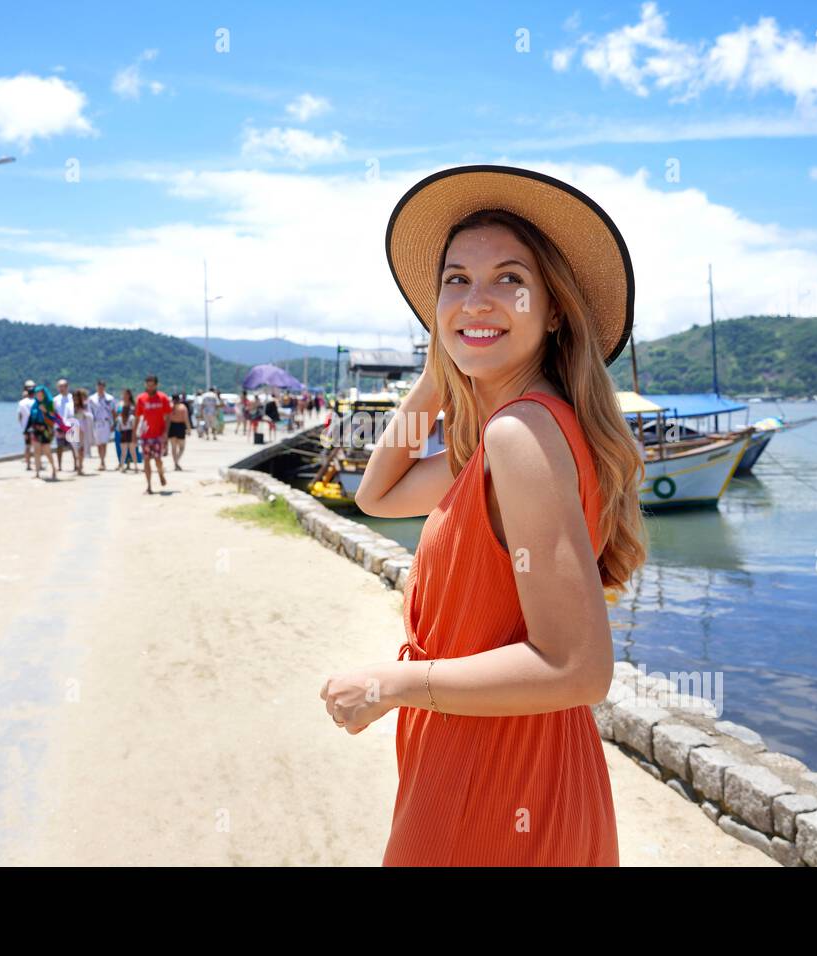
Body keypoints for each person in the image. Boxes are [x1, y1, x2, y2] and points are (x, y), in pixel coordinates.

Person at [322, 165, 649, 867]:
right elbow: (378, 493)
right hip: (505, 753)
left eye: (509, 279)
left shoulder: (518, 436)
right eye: (456, 282)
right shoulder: (516, 430)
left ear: (554, 307)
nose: (478, 298)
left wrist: (392, 683)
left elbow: (579, 668)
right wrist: (446, 364)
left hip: (495, 778)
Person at [135, 374, 171, 493]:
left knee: (157, 459)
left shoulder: (163, 398)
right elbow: (137, 417)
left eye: (152, 385)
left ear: (156, 385)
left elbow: (168, 416)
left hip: (158, 435)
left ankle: (161, 473)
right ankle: (149, 485)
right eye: (148, 385)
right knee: (146, 460)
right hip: (145, 435)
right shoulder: (141, 399)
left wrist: (165, 432)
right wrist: (134, 433)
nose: (150, 388)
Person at [26, 385, 61, 480]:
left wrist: (45, 411)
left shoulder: (50, 404)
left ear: (44, 394)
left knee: (47, 451)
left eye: (40, 394)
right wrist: (26, 430)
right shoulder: (35, 404)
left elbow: (54, 418)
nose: (39, 396)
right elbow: (30, 418)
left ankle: (54, 468)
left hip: (46, 430)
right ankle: (37, 472)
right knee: (36, 451)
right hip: (35, 429)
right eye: (37, 394)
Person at [88, 380, 116, 471]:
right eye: (99, 386)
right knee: (98, 443)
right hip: (96, 423)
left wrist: (113, 424)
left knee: (104, 443)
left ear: (104, 387)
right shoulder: (92, 399)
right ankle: (101, 460)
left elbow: (113, 412)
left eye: (102, 386)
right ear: (97, 387)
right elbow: (89, 412)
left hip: (106, 422)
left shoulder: (110, 398)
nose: (100, 388)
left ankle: (102, 461)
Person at [53, 378, 76, 472]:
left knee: (74, 447)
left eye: (64, 386)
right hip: (59, 426)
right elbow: (53, 413)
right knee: (59, 447)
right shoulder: (55, 400)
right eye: (60, 386)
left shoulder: (72, 398)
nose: (62, 388)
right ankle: (59, 465)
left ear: (67, 387)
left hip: (71, 426)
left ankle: (76, 465)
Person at [166, 393, 191, 470]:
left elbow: (167, 420)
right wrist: (189, 429)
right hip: (180, 427)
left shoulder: (170, 407)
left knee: (173, 447)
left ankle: (175, 463)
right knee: (182, 447)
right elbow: (186, 419)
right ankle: (176, 462)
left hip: (172, 427)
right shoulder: (182, 407)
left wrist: (166, 431)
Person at [70, 387, 92, 475]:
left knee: (80, 449)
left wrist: (84, 414)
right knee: (75, 449)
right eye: (74, 397)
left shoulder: (85, 406)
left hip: (82, 429)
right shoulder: (70, 406)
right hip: (73, 429)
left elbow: (90, 415)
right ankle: (77, 464)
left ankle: (80, 465)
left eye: (77, 397)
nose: (75, 399)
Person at [116, 388, 138, 471]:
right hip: (124, 430)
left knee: (131, 450)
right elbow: (117, 415)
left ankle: (130, 465)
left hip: (129, 429)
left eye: (126, 394)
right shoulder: (120, 404)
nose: (125, 396)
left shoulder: (133, 405)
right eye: (124, 394)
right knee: (124, 451)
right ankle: (123, 465)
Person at [17, 379, 36, 470]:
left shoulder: (21, 403)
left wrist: (22, 426)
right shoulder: (37, 402)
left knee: (27, 446)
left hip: (26, 428)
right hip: (36, 427)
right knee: (36, 446)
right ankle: (36, 463)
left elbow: (19, 416)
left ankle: (28, 465)